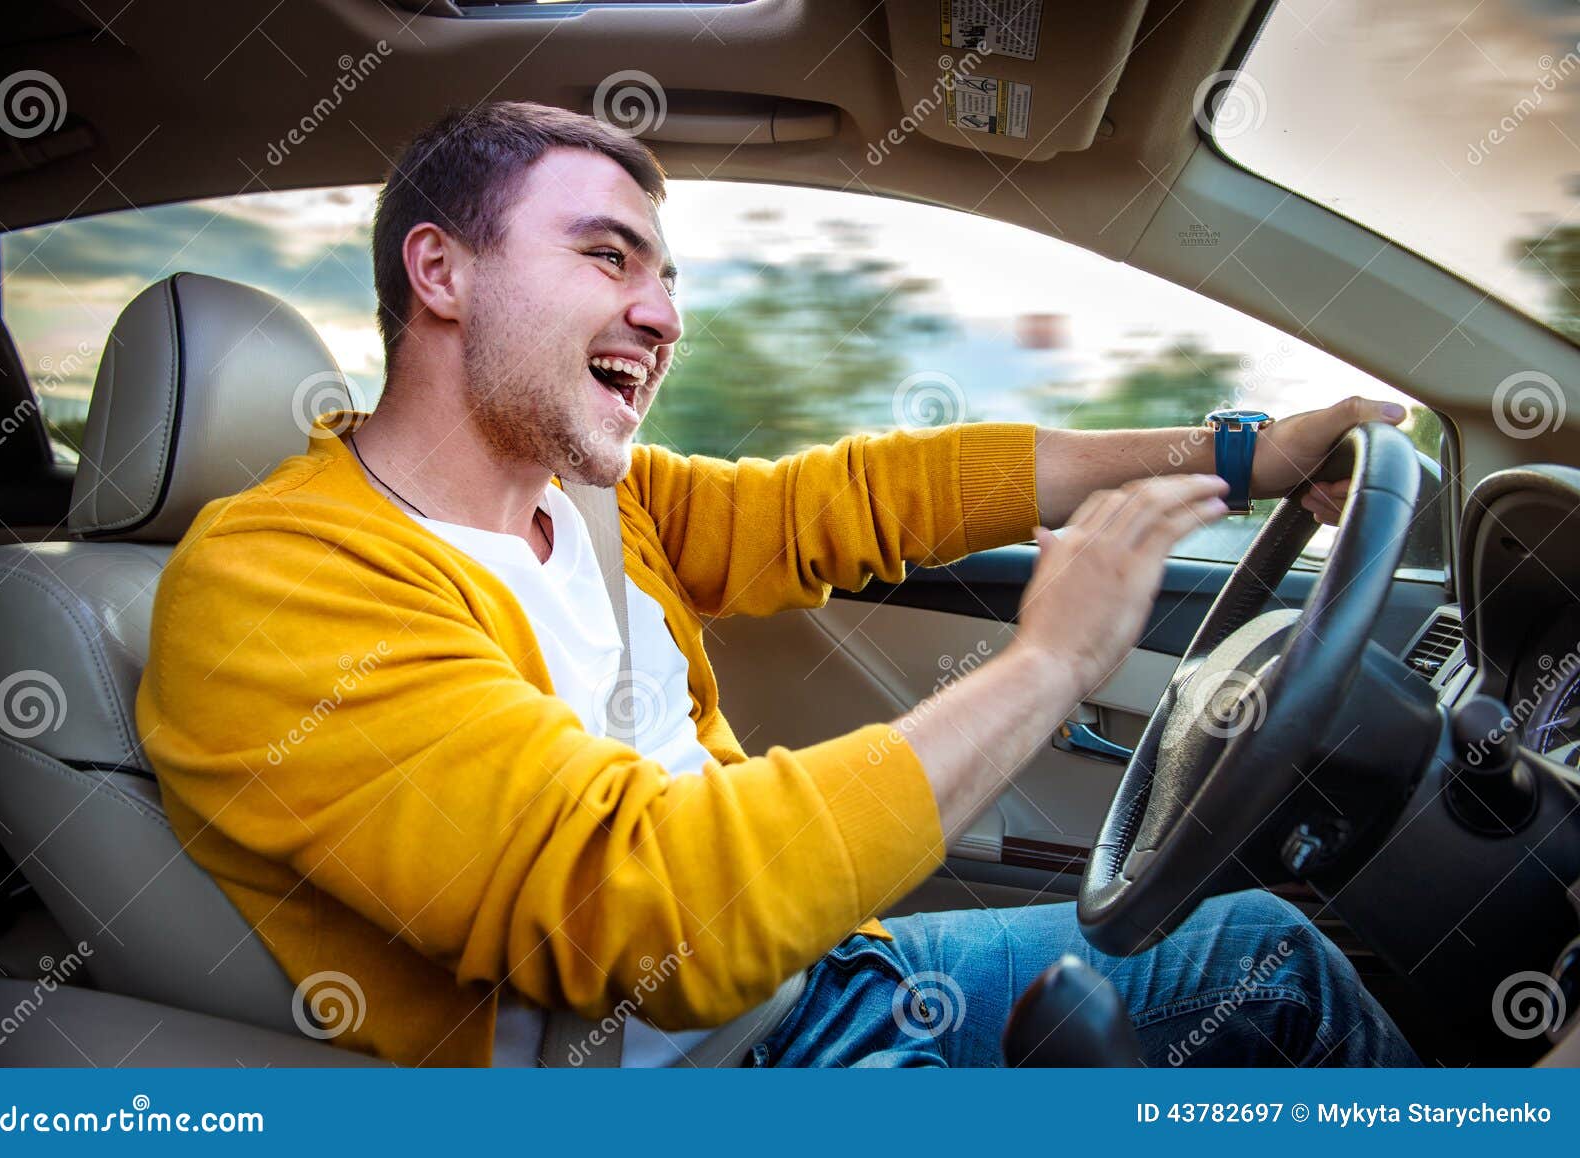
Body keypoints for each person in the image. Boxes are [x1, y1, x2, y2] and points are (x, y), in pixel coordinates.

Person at [137, 101, 1416, 1067]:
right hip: (693, 1078)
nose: (663, 317)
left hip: (819, 988)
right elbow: (650, 913)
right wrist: (1046, 669)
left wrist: (1240, 456)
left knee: (1269, 954)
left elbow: (864, 496)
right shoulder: (274, 589)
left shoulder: (593, 499)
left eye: (664, 278)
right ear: (441, 273)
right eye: (607, 257)